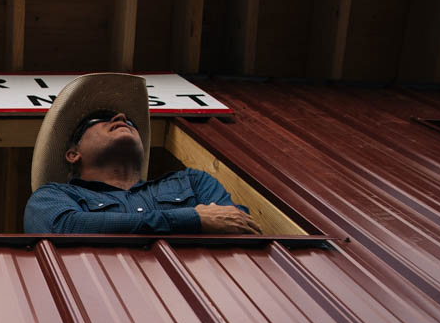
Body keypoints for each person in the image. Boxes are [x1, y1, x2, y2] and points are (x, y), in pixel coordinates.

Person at [23, 73, 262, 235]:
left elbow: (239, 224)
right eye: (101, 120)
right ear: (73, 154)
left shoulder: (192, 181)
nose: (121, 118)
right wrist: (193, 219)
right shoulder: (52, 195)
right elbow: (64, 227)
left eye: (130, 122)